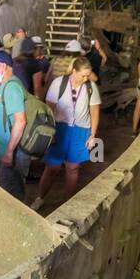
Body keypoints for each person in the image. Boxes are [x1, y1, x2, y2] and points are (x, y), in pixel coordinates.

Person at [33, 57, 101, 210]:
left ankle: (67, 203)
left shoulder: (91, 87)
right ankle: (40, 198)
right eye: (83, 75)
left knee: (73, 167)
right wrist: (50, 130)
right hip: (59, 128)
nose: (85, 78)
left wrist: (93, 135)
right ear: (74, 71)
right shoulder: (59, 83)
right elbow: (49, 108)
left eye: (88, 75)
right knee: (52, 167)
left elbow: (94, 112)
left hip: (80, 129)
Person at [0, 50, 32, 202]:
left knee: (12, 197)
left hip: (12, 153)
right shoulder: (7, 85)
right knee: (9, 191)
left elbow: (20, 121)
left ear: (4, 66)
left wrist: (9, 152)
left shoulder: (11, 87)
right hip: (6, 151)